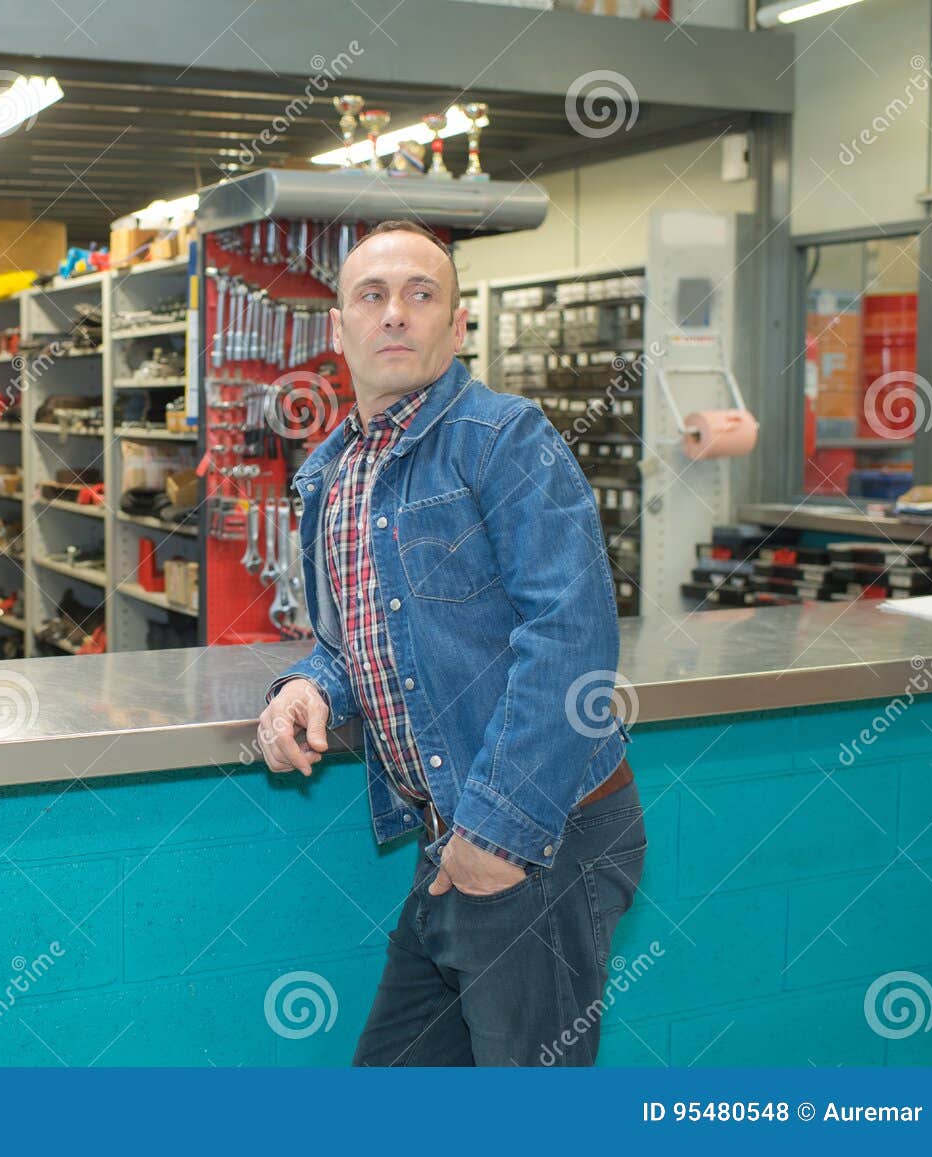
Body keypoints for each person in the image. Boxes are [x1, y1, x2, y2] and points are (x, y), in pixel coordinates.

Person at [256, 220, 646, 1067]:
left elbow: (571, 637)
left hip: (540, 832)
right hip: (452, 837)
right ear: (339, 329)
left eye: (420, 295)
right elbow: (352, 638)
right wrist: (308, 686)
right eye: (372, 295)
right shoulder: (330, 473)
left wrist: (497, 837)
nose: (395, 314)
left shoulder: (504, 440)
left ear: (457, 326)